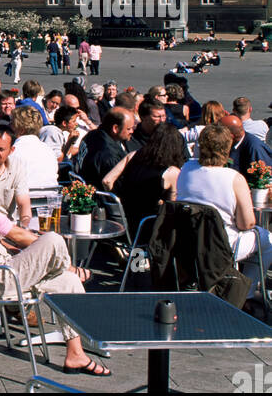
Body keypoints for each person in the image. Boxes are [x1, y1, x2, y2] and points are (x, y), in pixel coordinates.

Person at [0, 141, 108, 376]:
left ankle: (76, 354)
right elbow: (14, 233)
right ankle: (71, 267)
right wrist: (45, 248)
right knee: (54, 240)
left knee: (68, 283)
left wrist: (39, 249)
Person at [177, 124, 272, 300]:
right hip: (222, 245)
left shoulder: (185, 169)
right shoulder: (233, 178)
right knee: (267, 239)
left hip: (187, 241)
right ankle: (246, 294)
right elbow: (247, 223)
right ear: (228, 148)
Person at [105, 123, 188, 237]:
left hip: (125, 220)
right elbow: (171, 208)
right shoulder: (172, 172)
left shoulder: (132, 155)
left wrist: (119, 200)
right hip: (150, 226)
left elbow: (107, 180)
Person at [80, 108, 137, 189]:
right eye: (128, 129)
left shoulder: (90, 135)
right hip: (101, 196)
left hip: (86, 186)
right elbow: (119, 186)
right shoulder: (109, 155)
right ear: (115, 128)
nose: (132, 131)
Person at [9, 107, 59, 188]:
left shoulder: (13, 152)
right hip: (50, 196)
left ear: (21, 129)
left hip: (23, 198)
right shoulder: (48, 150)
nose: (9, 126)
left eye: (12, 123)